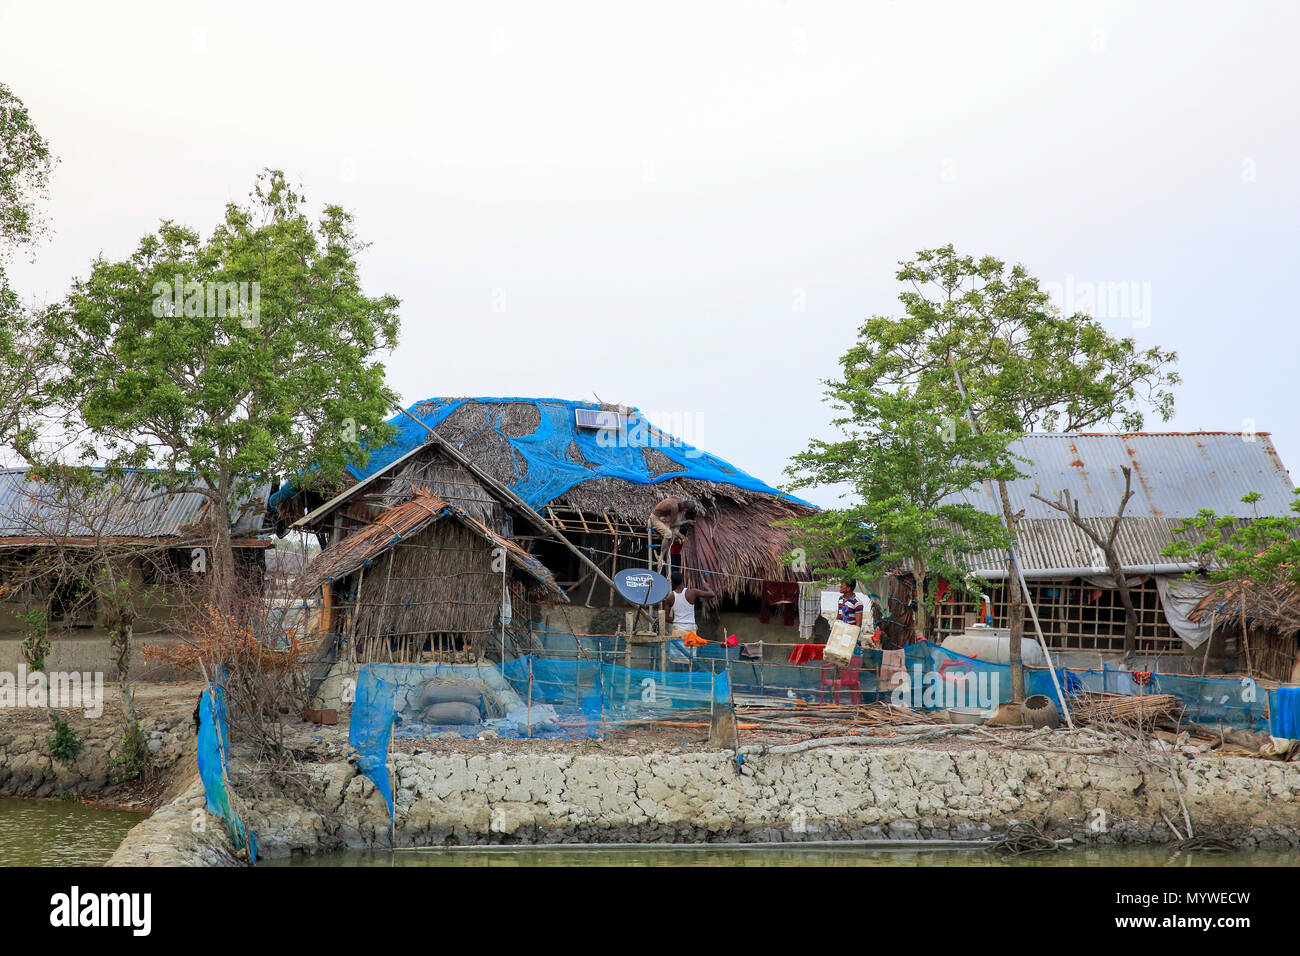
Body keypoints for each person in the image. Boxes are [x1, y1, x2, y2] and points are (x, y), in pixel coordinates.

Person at [664, 571, 716, 664]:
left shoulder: (670, 597)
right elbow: (711, 594)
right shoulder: (692, 592)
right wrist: (706, 585)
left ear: (672, 582)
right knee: (689, 659)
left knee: (676, 660)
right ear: (682, 580)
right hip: (690, 631)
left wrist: (677, 621)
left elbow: (666, 618)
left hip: (677, 631)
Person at [649, 496, 704, 573]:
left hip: (664, 517)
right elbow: (672, 525)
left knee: (670, 528)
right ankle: (661, 555)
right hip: (655, 518)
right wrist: (687, 521)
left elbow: (671, 497)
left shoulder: (679, 500)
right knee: (668, 533)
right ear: (685, 509)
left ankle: (663, 553)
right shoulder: (674, 508)